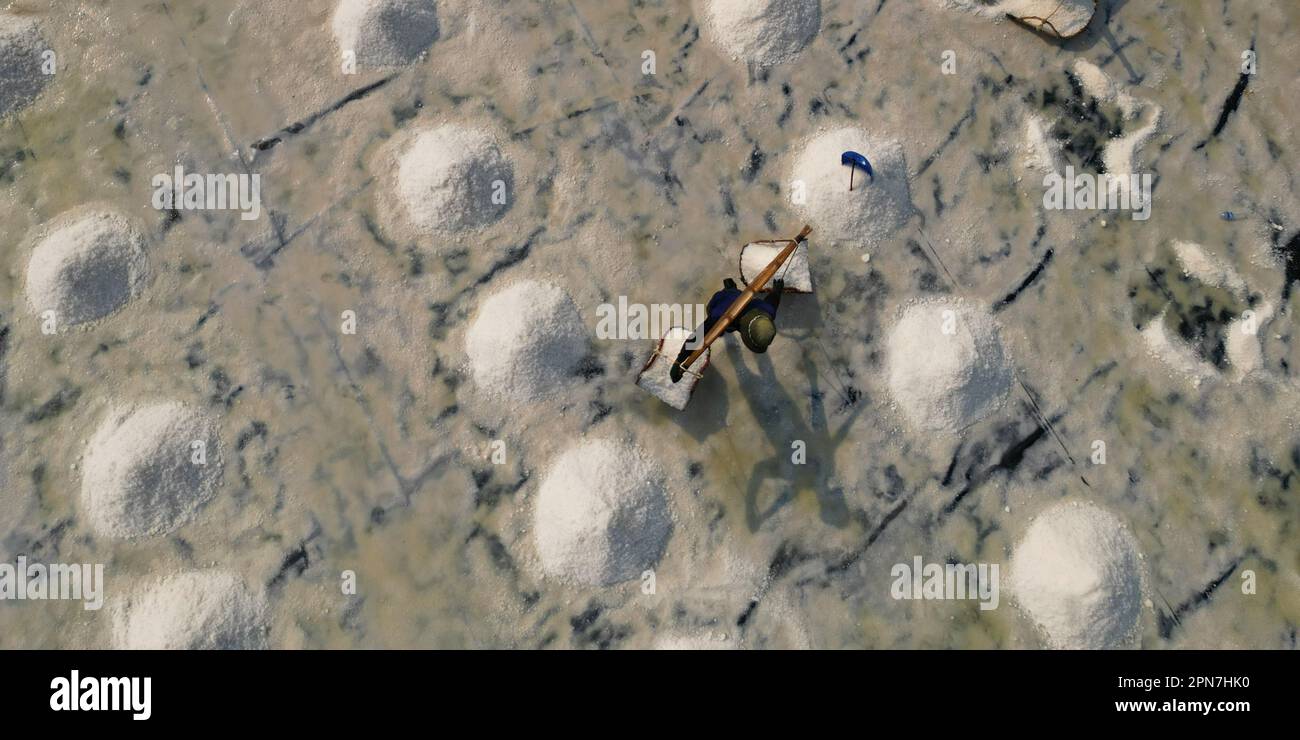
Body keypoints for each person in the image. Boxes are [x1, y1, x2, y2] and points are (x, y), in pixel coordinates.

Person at [670, 277, 784, 383]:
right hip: (720, 301)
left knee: (735, 298)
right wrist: (678, 361)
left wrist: (776, 291)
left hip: (740, 298)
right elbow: (697, 336)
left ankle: (731, 288)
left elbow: (772, 301)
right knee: (719, 328)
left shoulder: (767, 311)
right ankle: (729, 288)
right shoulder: (718, 315)